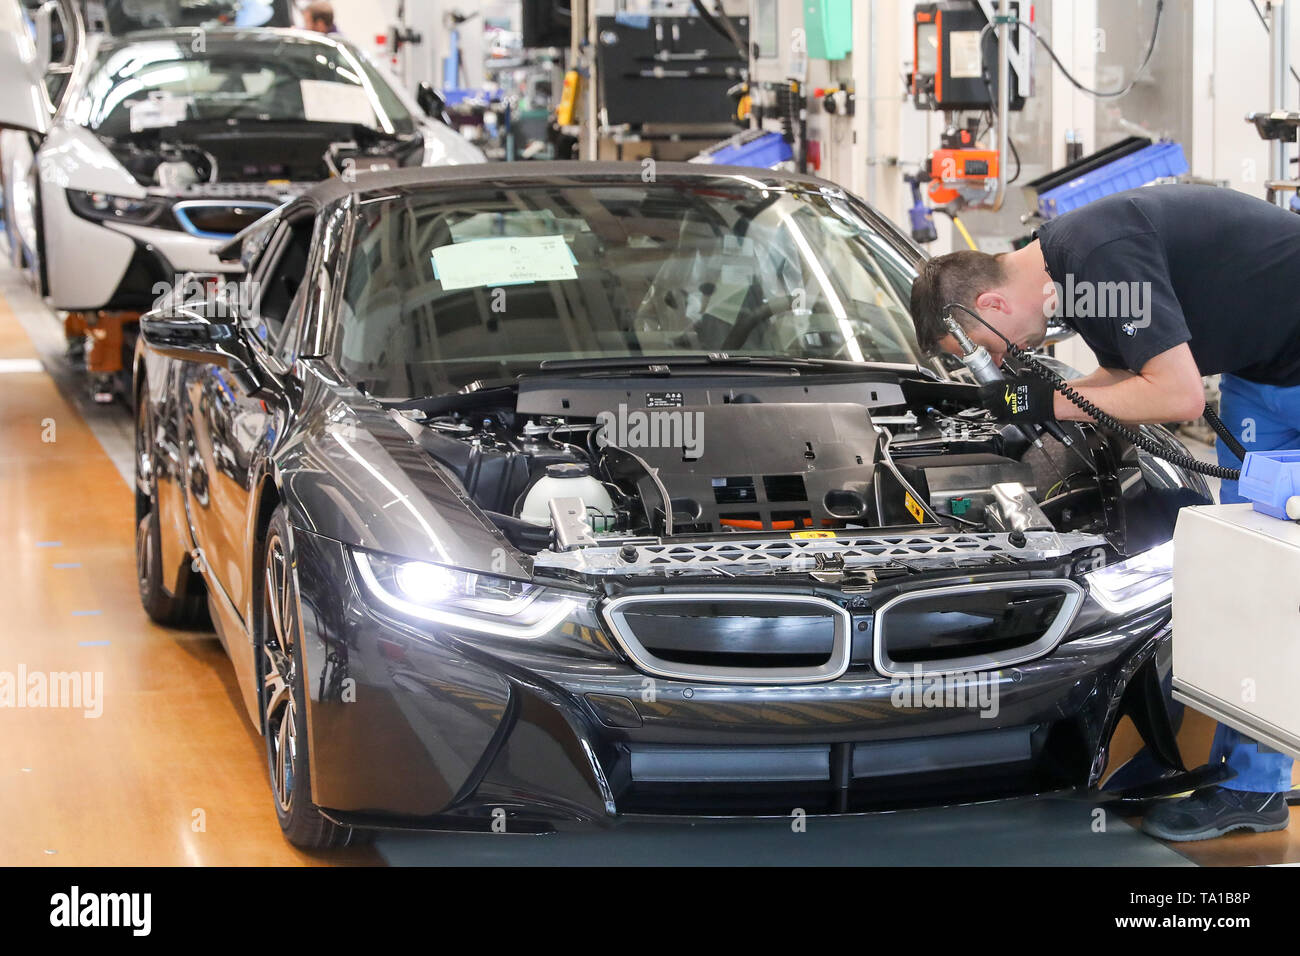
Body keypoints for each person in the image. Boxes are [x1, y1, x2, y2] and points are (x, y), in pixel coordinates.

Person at [909, 183, 1299, 842]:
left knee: (1273, 580)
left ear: (992, 304)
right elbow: (1125, 381)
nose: (1000, 362)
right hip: (1266, 375)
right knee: (1253, 576)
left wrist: (1039, 401)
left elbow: (1177, 397)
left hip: (1282, 367)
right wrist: (1010, 404)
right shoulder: (1075, 277)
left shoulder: (1098, 255)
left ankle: (1255, 776)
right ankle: (1251, 784)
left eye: (984, 348)